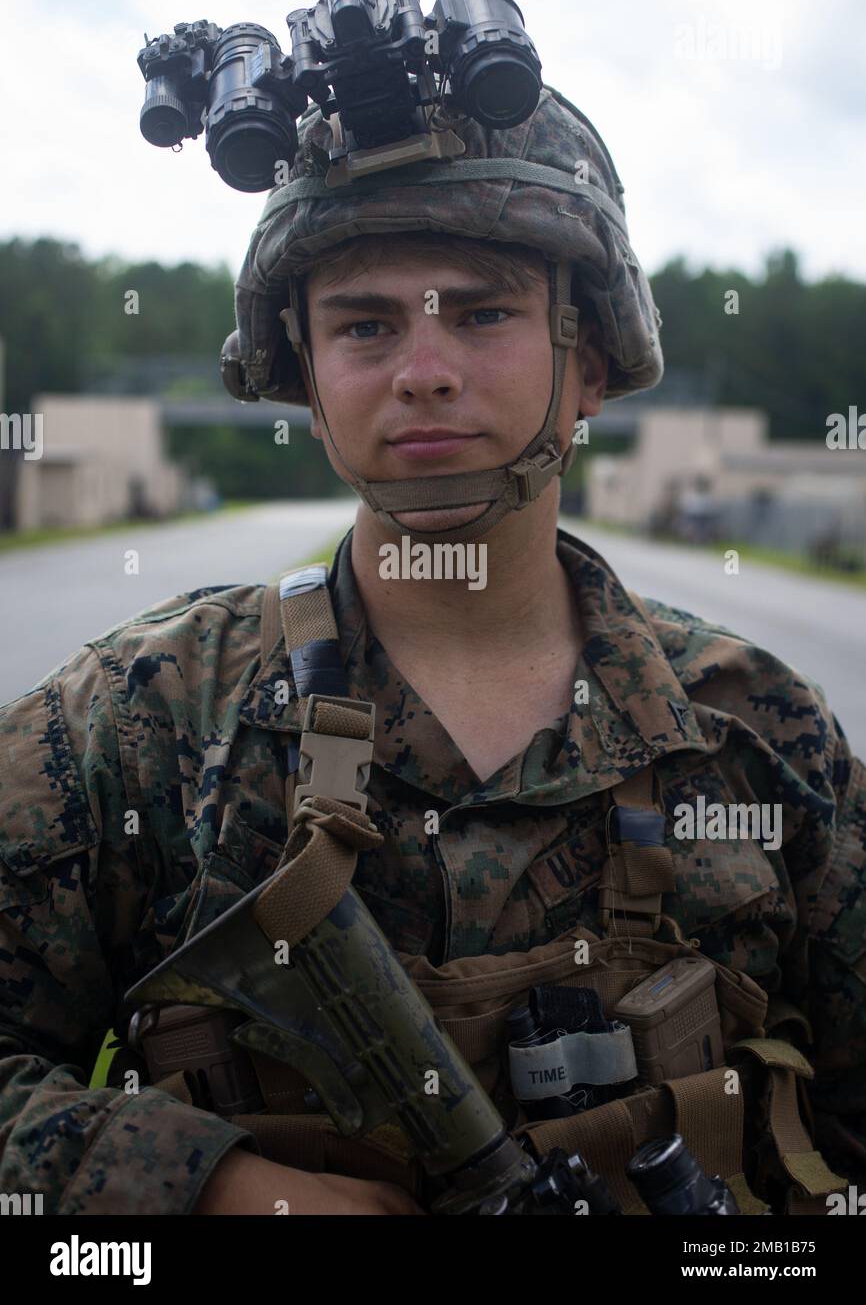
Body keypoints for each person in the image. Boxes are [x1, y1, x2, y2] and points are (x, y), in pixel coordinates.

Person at [0, 85, 863, 1217]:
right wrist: (221, 1191)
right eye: (364, 325)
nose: (423, 370)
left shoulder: (757, 733)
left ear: (589, 361)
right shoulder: (135, 723)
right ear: (305, 380)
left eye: (481, 312)